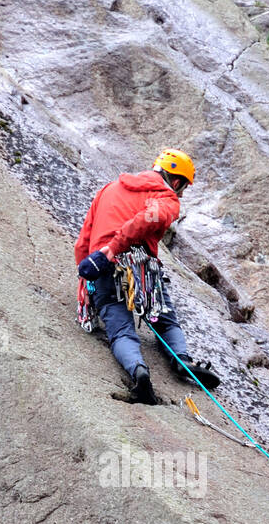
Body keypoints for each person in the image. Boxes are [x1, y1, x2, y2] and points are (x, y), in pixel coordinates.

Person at [75, 148, 216, 403]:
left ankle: (139, 371)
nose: (181, 194)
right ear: (175, 181)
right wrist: (114, 247)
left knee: (120, 331)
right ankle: (181, 359)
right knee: (165, 320)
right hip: (140, 269)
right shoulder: (167, 200)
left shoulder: (110, 188)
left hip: (103, 271)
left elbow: (82, 242)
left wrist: (84, 282)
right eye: (182, 187)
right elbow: (148, 218)